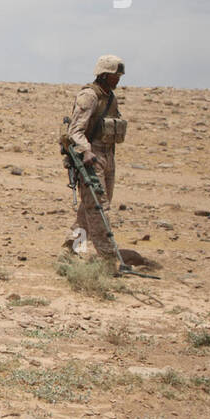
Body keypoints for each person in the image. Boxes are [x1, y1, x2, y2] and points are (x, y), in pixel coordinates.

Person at [66, 55, 127, 267]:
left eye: (119, 76)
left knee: (90, 206)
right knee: (98, 207)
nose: (117, 80)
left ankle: (72, 249)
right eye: (114, 76)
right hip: (92, 158)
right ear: (103, 75)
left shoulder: (110, 97)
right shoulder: (89, 96)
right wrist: (86, 151)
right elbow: (75, 131)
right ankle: (108, 260)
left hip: (108, 156)